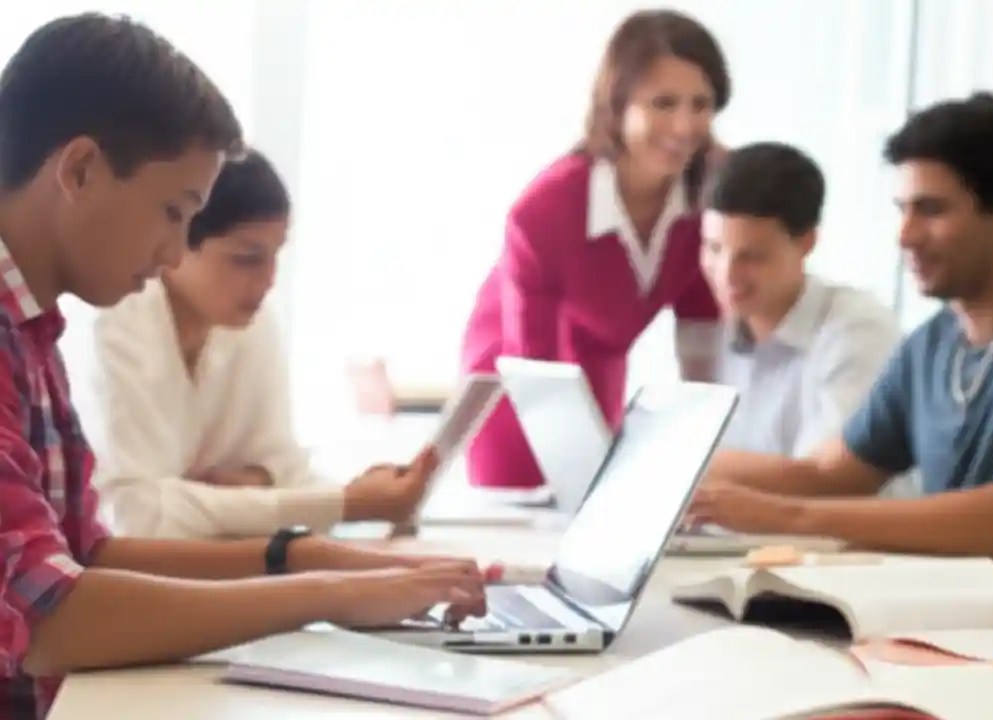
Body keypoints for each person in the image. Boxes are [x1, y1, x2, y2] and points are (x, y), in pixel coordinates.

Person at [0, 15, 484, 718]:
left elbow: (87, 556)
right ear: (79, 171)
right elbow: (51, 617)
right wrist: (329, 596)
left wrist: (308, 556)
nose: (174, 253)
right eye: (173, 212)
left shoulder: (31, 328)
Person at [687, 93, 993, 568]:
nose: (905, 236)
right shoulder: (930, 345)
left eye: (931, 210)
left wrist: (788, 516)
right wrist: (675, 462)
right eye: (902, 210)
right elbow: (828, 474)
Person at [90, 149, 431, 539]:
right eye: (246, 259)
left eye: (275, 256)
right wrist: (347, 504)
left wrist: (359, 501)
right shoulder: (117, 320)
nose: (269, 280)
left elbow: (284, 471)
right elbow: (137, 517)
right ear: (176, 242)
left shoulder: (253, 322)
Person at [460, 9, 729, 489]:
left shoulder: (710, 194)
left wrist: (697, 452)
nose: (685, 125)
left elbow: (703, 339)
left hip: (600, 371)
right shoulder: (545, 209)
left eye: (701, 104)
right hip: (516, 388)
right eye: (663, 103)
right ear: (616, 103)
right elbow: (535, 365)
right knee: (532, 515)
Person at [698, 142, 910, 493]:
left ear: (806, 242)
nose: (726, 274)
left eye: (751, 256)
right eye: (713, 248)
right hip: (746, 527)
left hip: (843, 527)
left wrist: (679, 458)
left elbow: (823, 480)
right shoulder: (713, 330)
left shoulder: (858, 331)